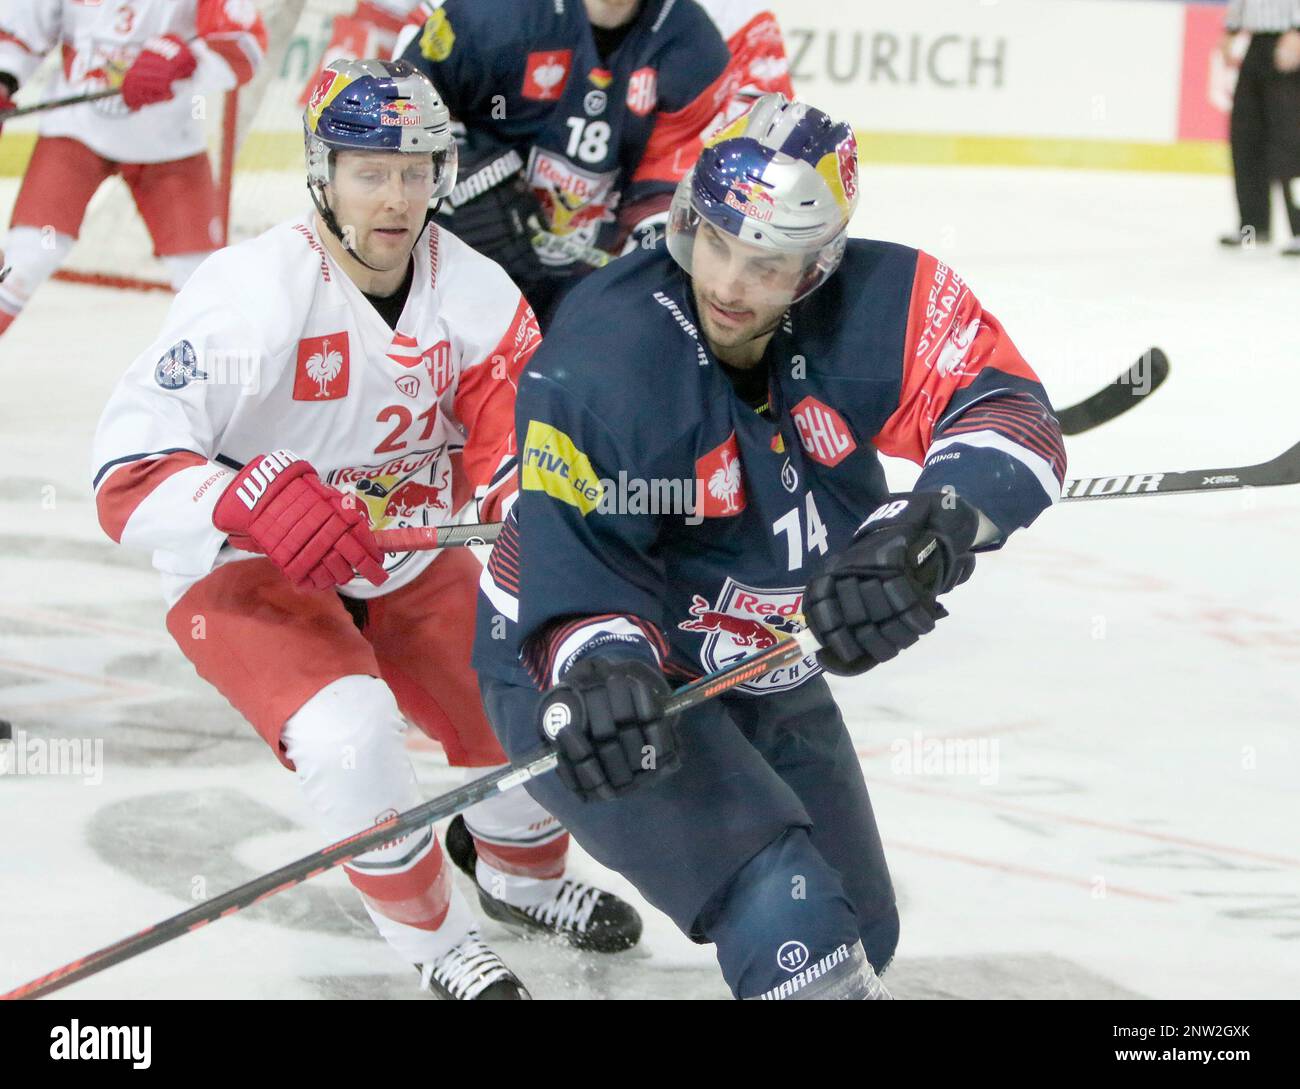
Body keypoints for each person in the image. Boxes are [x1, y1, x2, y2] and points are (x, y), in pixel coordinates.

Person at [472, 94, 1067, 1000]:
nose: (728, 284)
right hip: (600, 668)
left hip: (759, 653)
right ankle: (517, 806)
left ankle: (510, 808)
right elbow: (576, 577)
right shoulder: (607, 354)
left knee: (864, 926)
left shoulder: (877, 302)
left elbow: (1013, 415)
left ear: (819, 262)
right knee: (789, 920)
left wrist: (928, 531)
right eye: (714, 239)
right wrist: (604, 671)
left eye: (768, 263)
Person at [91, 59, 638, 1000]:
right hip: (254, 569)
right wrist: (245, 497)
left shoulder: (473, 291)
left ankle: (520, 876)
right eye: (369, 170)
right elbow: (123, 477)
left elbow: (521, 446)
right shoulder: (249, 296)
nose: (396, 196)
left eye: (417, 169)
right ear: (322, 175)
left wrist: (541, 516)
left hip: (409, 553)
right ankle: (436, 940)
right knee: (351, 738)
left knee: (516, 684)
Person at [395, 0, 734, 326]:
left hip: (580, 287)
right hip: (461, 261)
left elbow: (668, 183)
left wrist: (642, 265)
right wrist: (472, 176)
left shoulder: (692, 46)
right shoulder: (494, 14)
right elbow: (407, 100)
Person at [0, 0, 269, 335]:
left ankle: (223, 381)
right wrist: (3, 78)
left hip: (169, 144)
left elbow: (248, 44)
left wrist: (187, 58)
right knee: (27, 256)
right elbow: (22, 27)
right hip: (74, 133)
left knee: (202, 280)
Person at [1218, 0, 1300, 254]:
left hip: (1291, 40)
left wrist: (1297, 31)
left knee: (1290, 142)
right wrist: (1231, 29)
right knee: (1246, 136)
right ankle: (1253, 228)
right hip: (1256, 43)